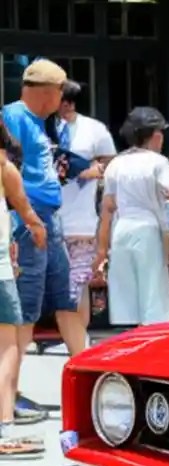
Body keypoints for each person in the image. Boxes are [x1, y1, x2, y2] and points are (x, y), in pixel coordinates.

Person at [3, 59, 74, 426]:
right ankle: (8, 393)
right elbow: (7, 175)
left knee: (64, 297)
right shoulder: (14, 117)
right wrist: (24, 220)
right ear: (49, 92)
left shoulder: (35, 122)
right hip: (31, 223)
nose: (62, 100)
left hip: (45, 220)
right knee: (25, 308)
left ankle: (85, 372)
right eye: (61, 92)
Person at [94, 107, 169, 326]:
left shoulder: (116, 163)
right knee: (152, 291)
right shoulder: (158, 162)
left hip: (121, 229)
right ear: (156, 135)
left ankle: (128, 338)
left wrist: (102, 249)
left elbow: (107, 206)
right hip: (148, 228)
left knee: (125, 293)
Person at [55, 79, 116, 342]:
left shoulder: (93, 129)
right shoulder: (41, 128)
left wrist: (95, 171)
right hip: (50, 219)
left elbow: (110, 162)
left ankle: (81, 342)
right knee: (58, 289)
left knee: (79, 286)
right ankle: (72, 341)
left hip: (81, 221)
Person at [1, 121, 47, 457]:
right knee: (7, 347)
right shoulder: (4, 167)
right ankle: (4, 430)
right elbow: (25, 209)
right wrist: (36, 226)